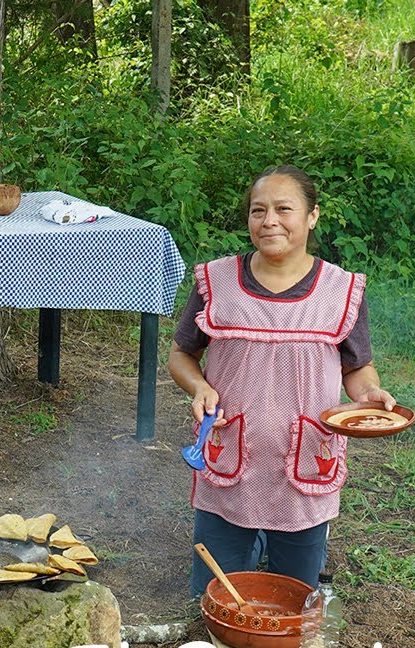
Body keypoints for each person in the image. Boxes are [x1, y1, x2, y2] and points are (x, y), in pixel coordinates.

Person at [167, 165, 395, 595]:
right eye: (258, 210)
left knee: (293, 600)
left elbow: (357, 368)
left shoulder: (341, 290)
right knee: (216, 597)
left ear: (312, 216)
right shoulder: (217, 281)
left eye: (284, 209)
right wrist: (198, 386)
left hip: (305, 464)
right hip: (229, 461)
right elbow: (182, 354)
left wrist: (369, 395)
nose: (269, 220)